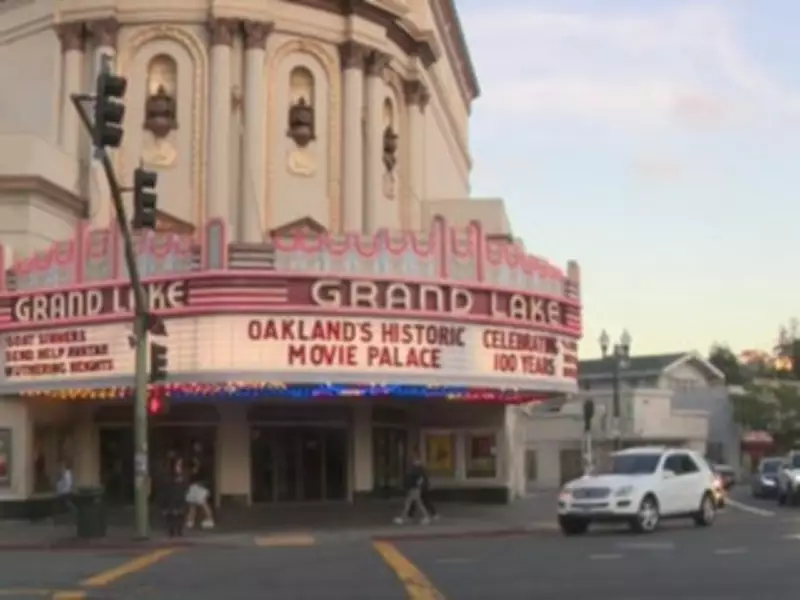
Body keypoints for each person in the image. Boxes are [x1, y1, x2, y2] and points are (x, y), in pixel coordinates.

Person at [185, 442, 215, 529]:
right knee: (193, 503)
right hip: (196, 484)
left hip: (201, 484)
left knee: (202, 502)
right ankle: (191, 520)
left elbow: (197, 471)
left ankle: (210, 519)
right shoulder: (198, 459)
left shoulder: (202, 460)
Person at [394, 455, 430, 525]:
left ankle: (403, 518)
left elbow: (420, 479)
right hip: (413, 488)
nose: (415, 462)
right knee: (412, 503)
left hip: (414, 488)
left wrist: (417, 486)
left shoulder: (419, 469)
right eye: (415, 461)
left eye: (416, 460)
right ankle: (404, 517)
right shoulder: (416, 469)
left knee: (412, 503)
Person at [161, 458, 187, 537]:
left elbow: (185, 486)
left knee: (180, 514)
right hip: (171, 497)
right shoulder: (168, 476)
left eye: (181, 465)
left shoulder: (183, 475)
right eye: (178, 465)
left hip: (180, 496)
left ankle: (179, 530)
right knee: (171, 514)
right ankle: (171, 531)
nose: (179, 467)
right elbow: (165, 488)